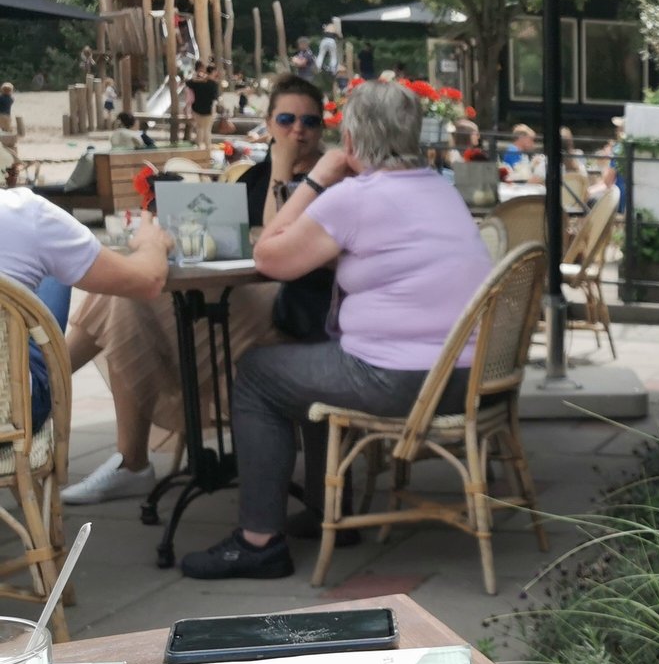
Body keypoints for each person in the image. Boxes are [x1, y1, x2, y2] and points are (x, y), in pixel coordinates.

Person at [179, 78, 493, 579]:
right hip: (473, 381)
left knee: (260, 374)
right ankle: (333, 512)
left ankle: (259, 540)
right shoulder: (440, 187)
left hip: (400, 380)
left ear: (348, 142)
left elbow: (270, 257)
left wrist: (318, 177)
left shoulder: (354, 197)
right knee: (308, 357)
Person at [60, 78, 329, 506]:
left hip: (292, 313)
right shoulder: (254, 176)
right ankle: (54, 383)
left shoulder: (326, 178)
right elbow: (226, 239)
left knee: (129, 295)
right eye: (287, 119)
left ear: (322, 127)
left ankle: (50, 385)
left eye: (310, 121)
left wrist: (281, 168)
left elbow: (278, 244)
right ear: (269, 123)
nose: (299, 130)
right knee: (127, 296)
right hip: (244, 295)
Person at [0, 185, 172, 439]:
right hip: (13, 417)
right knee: (65, 261)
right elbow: (149, 281)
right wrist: (152, 244)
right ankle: (132, 462)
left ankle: (132, 465)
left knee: (67, 263)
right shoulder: (23, 212)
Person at [184, 63, 221, 148]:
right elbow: (214, 99)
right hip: (208, 110)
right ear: (213, 72)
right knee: (207, 130)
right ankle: (207, 149)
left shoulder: (198, 82)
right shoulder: (213, 84)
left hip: (196, 109)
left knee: (199, 128)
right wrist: (214, 110)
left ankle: (199, 147)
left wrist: (199, 79)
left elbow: (188, 82)